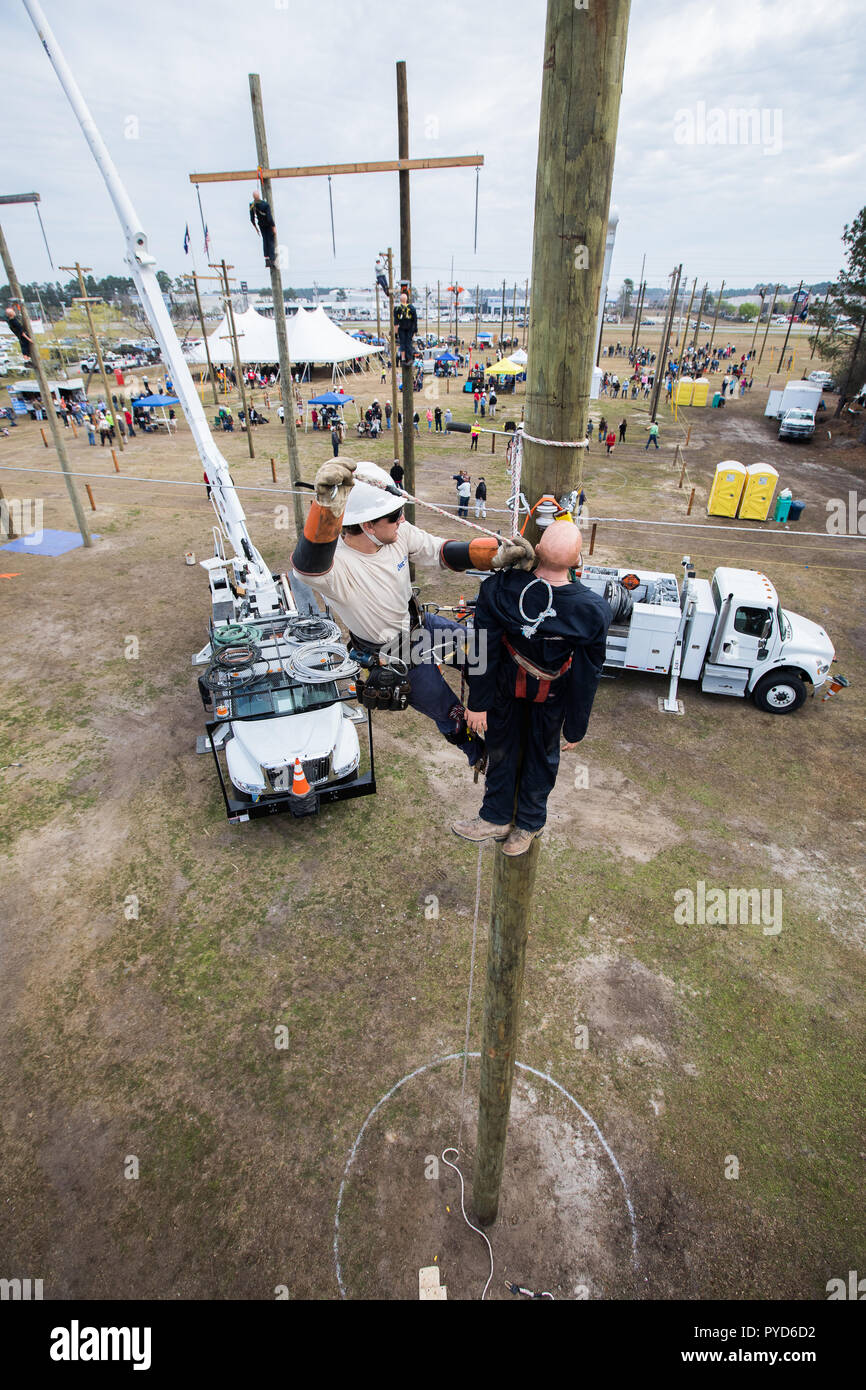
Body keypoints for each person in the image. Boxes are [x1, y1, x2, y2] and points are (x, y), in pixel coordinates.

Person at [291, 460, 533, 770]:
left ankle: (497, 718)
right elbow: (306, 568)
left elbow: (439, 550)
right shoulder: (337, 567)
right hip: (393, 654)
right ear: (367, 525)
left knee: (482, 653)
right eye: (393, 516)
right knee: (449, 712)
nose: (402, 519)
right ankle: (478, 753)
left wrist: (494, 555)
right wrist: (325, 508)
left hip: (422, 627)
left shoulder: (397, 533)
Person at [451, 520, 611, 856]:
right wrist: (576, 726)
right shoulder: (592, 610)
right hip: (550, 699)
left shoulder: (501, 588)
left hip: (506, 690)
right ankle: (524, 823)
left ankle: (506, 819)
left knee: (503, 751)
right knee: (541, 757)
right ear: (577, 561)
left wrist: (478, 703)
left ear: (536, 550)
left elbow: (484, 648)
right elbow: (588, 672)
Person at [250, 191, 277, 267]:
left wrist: (256, 227)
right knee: (270, 241)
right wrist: (273, 226)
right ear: (259, 196)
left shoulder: (252, 205)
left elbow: (252, 219)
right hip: (268, 225)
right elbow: (269, 218)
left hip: (261, 225)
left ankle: (267, 260)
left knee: (265, 241)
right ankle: (272, 260)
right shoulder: (265, 205)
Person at [394, 288, 418, 365]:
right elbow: (415, 320)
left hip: (402, 328)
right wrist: (415, 330)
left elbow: (396, 323)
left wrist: (396, 333)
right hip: (410, 328)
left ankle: (403, 359)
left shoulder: (397, 309)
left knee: (403, 344)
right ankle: (409, 358)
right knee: (408, 343)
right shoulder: (412, 308)